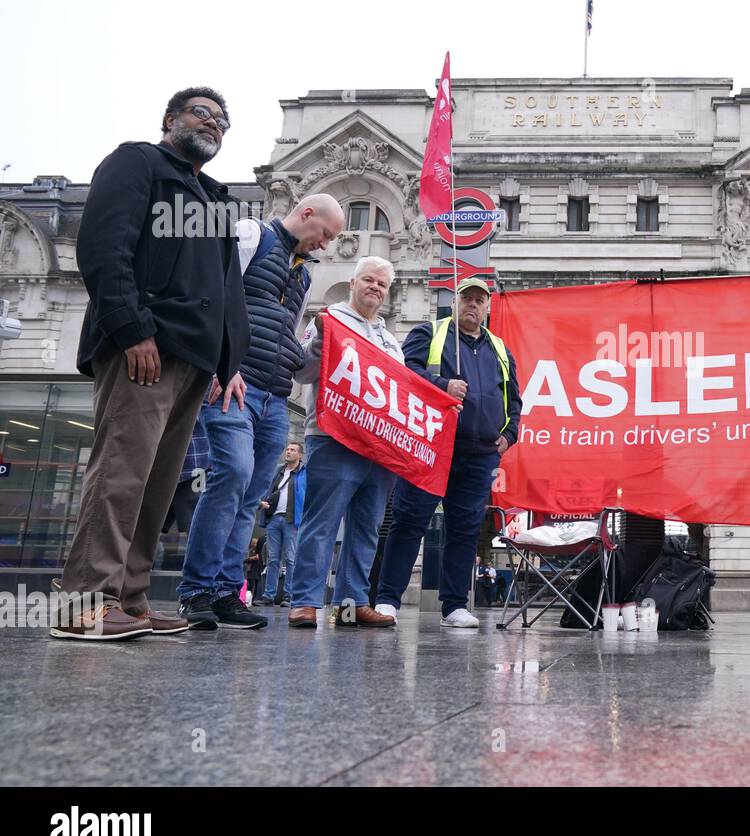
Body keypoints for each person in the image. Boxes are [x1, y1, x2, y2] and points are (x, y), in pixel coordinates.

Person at [51, 88, 250, 641]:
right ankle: (84, 605)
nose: (212, 124)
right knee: (121, 473)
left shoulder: (215, 199)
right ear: (171, 119)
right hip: (146, 346)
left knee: (158, 485)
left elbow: (224, 285)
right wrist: (132, 328)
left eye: (221, 121)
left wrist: (228, 359)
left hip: (195, 359)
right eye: (200, 113)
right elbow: (102, 247)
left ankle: (131, 600)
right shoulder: (136, 162)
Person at [177, 194, 342, 630]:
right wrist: (220, 363)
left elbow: (291, 346)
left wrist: (320, 347)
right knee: (231, 475)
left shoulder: (302, 276)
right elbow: (208, 296)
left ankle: (227, 594)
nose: (326, 245)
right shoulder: (251, 234)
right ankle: (195, 591)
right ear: (307, 214)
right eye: (327, 234)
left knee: (250, 495)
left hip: (273, 396)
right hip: (236, 384)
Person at [373, 277, 522, 628]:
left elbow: (514, 400)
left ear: (488, 307)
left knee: (466, 529)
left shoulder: (501, 349)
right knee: (410, 521)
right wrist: (443, 386)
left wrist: (509, 436)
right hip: (431, 446)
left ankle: (454, 605)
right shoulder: (429, 333)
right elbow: (405, 372)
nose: (473, 305)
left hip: (481, 452)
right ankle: (387, 599)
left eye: (479, 300)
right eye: (466, 298)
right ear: (454, 302)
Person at [288, 257, 405, 628]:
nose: (375, 287)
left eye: (382, 284)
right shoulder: (329, 321)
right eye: (369, 280)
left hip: (378, 447)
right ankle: (305, 601)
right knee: (321, 523)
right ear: (353, 283)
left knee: (367, 528)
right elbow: (302, 372)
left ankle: (351, 604)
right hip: (332, 437)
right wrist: (322, 341)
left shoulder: (391, 341)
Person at [254, 441, 308, 606]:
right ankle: (269, 596)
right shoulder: (278, 470)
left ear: (300, 455)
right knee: (272, 559)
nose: (288, 452)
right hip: (274, 519)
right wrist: (261, 502)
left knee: (290, 558)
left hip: (292, 519)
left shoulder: (304, 473)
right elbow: (265, 487)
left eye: (293, 450)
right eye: (287, 449)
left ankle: (288, 596)